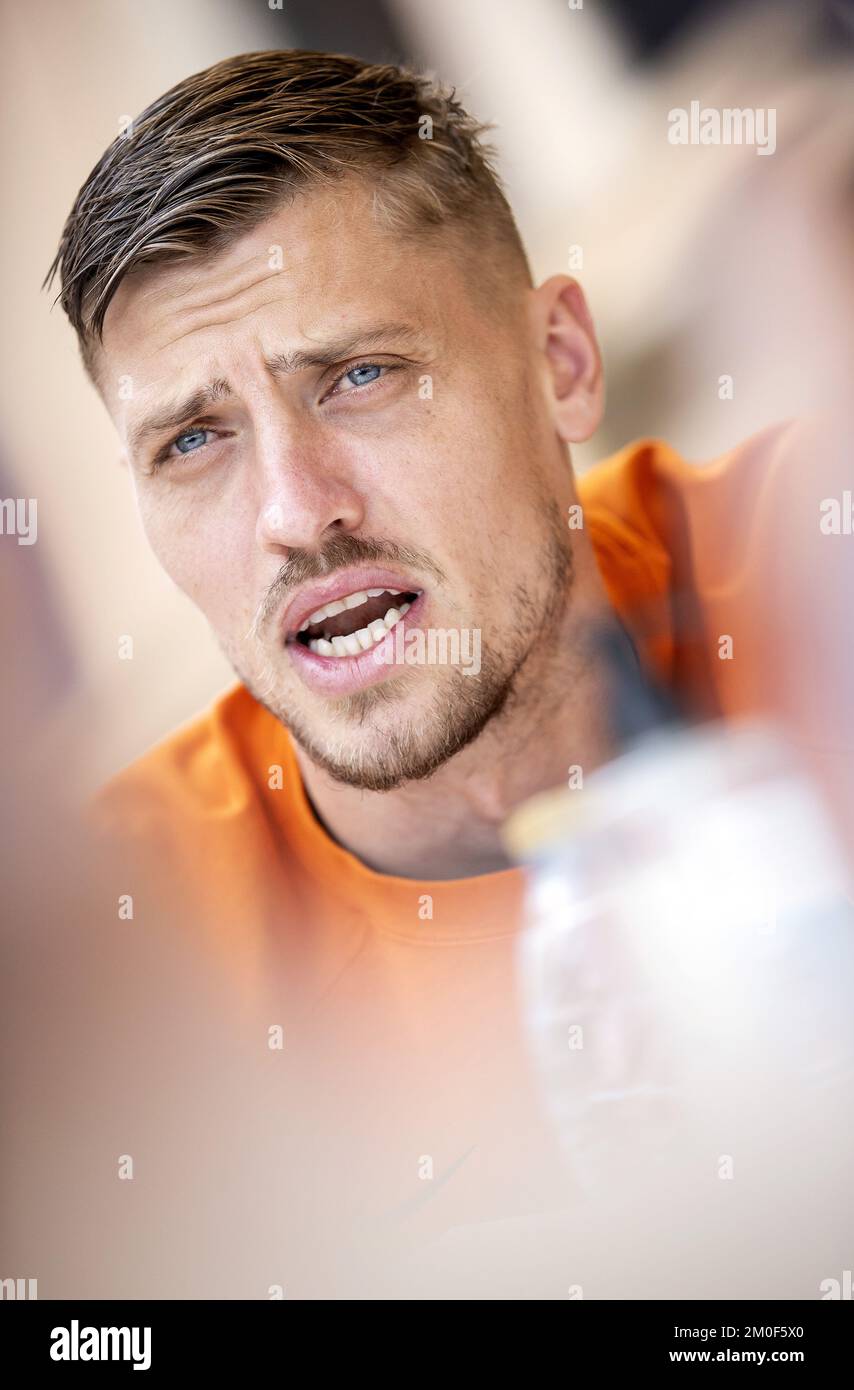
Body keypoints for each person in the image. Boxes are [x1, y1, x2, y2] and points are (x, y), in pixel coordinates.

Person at [44, 50, 823, 1289]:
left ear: (560, 363)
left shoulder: (805, 570)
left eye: (358, 376)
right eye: (193, 441)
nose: (295, 512)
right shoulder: (113, 975)